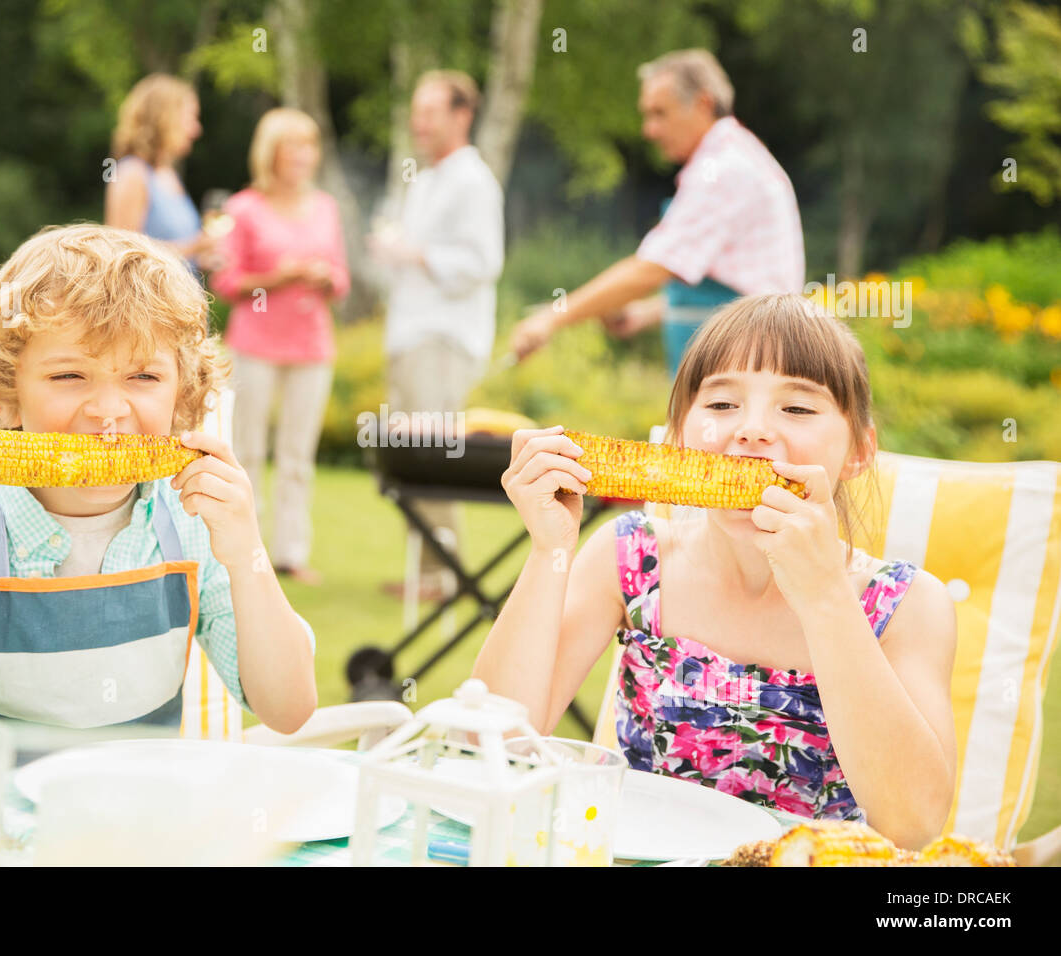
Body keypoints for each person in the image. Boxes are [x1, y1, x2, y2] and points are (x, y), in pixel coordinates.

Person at [474, 294, 957, 849]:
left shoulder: (907, 604)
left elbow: (914, 824)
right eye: (722, 404)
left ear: (858, 451)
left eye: (797, 408)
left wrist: (825, 596)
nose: (752, 430)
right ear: (679, 434)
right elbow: (495, 743)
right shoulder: (630, 558)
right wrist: (548, 551)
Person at [0, 224, 318, 734]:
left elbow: (288, 710)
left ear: (182, 396)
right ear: (6, 395)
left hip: (135, 812)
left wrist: (247, 554)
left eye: (143, 377)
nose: (108, 411)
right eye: (69, 376)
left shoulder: (193, 524)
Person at [510, 49, 804, 379]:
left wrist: (550, 318)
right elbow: (731, 283)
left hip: (745, 365)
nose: (649, 130)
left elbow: (650, 270)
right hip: (739, 359)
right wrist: (644, 314)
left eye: (659, 113)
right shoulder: (730, 158)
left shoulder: (722, 170)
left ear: (703, 104)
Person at [369, 69, 504, 600]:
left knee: (433, 453)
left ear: (461, 115)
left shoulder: (474, 181)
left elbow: (482, 263)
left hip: (444, 339)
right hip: (408, 334)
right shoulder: (424, 180)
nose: (418, 123)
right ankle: (424, 573)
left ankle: (442, 575)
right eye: (416, 112)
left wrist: (414, 253)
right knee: (411, 458)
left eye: (430, 112)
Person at [209, 109, 349, 585]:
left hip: (312, 347)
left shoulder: (326, 207)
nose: (303, 156)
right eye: (293, 146)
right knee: (247, 450)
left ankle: (291, 554)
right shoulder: (244, 209)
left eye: (309, 146)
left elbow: (342, 278)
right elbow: (226, 281)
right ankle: (245, 551)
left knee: (297, 457)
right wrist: (280, 277)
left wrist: (326, 278)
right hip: (255, 344)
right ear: (271, 153)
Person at [105, 74, 225, 274]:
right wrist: (195, 246)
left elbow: (174, 255)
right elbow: (121, 254)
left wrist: (201, 260)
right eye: (190, 118)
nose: (197, 129)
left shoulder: (168, 174)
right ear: (164, 119)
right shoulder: (132, 174)